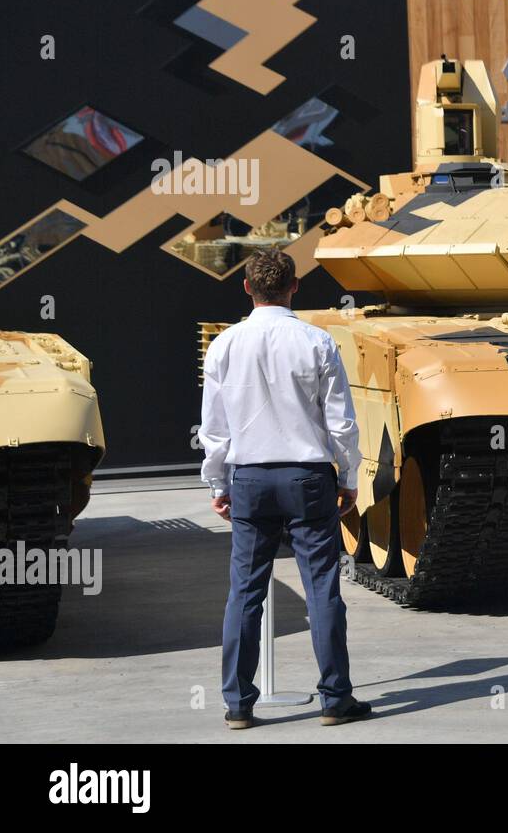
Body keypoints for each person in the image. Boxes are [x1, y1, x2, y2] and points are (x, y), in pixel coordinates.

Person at [199, 248, 371, 729]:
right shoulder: (317, 341)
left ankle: (238, 704)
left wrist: (218, 482)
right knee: (322, 589)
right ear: (295, 286)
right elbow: (341, 423)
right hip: (308, 476)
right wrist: (349, 477)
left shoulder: (224, 345)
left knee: (245, 592)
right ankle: (335, 698)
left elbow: (213, 427)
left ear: (247, 287)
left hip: (250, 477)